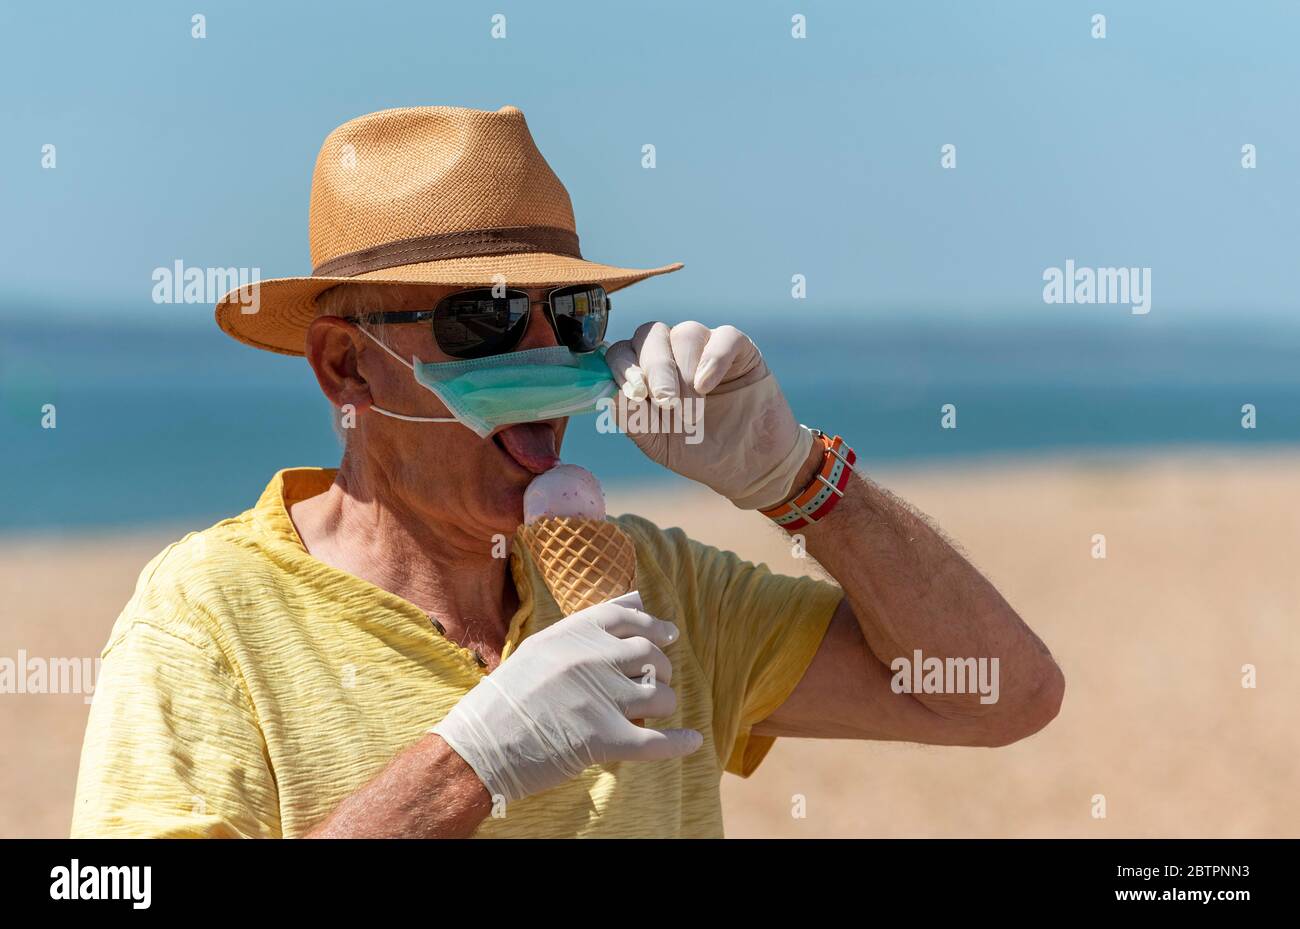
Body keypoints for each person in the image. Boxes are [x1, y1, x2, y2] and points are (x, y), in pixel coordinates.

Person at [71, 105, 1063, 838]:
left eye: (574, 314)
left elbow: (1002, 696)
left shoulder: (662, 588)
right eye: (489, 315)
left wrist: (797, 476)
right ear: (345, 364)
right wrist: (470, 760)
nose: (551, 355)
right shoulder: (205, 614)